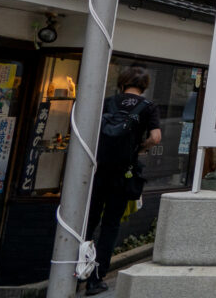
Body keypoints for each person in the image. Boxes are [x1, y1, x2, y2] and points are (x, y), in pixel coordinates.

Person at [83, 66, 161, 295]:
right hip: (124, 172)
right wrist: (140, 148)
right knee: (110, 225)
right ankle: (96, 280)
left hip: (98, 170)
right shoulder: (148, 107)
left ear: (123, 82)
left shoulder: (109, 102)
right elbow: (155, 137)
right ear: (144, 85)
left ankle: (77, 270)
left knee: (88, 222)